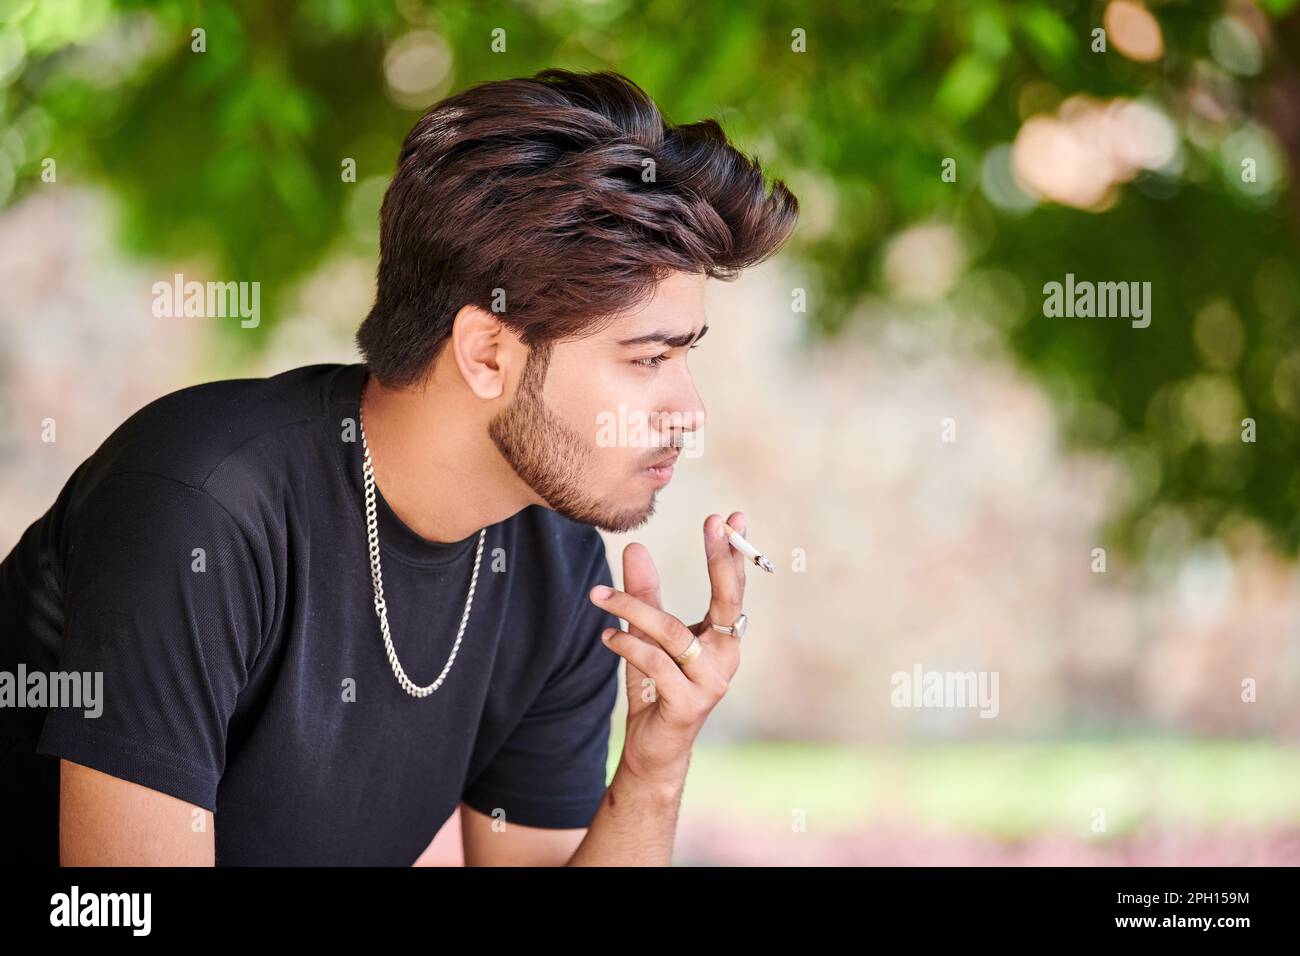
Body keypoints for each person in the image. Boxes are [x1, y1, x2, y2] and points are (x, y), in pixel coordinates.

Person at [0, 68, 798, 865]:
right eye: (647, 358)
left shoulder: (559, 572)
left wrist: (654, 768)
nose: (688, 414)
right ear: (487, 352)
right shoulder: (202, 506)